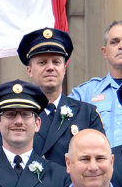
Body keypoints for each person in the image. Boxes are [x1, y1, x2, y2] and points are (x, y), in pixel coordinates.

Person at [15, 28, 106, 165]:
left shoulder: (87, 114)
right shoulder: (13, 115)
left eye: (56, 62)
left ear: (64, 69)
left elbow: (100, 159)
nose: (50, 67)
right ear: (29, 70)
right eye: (42, 62)